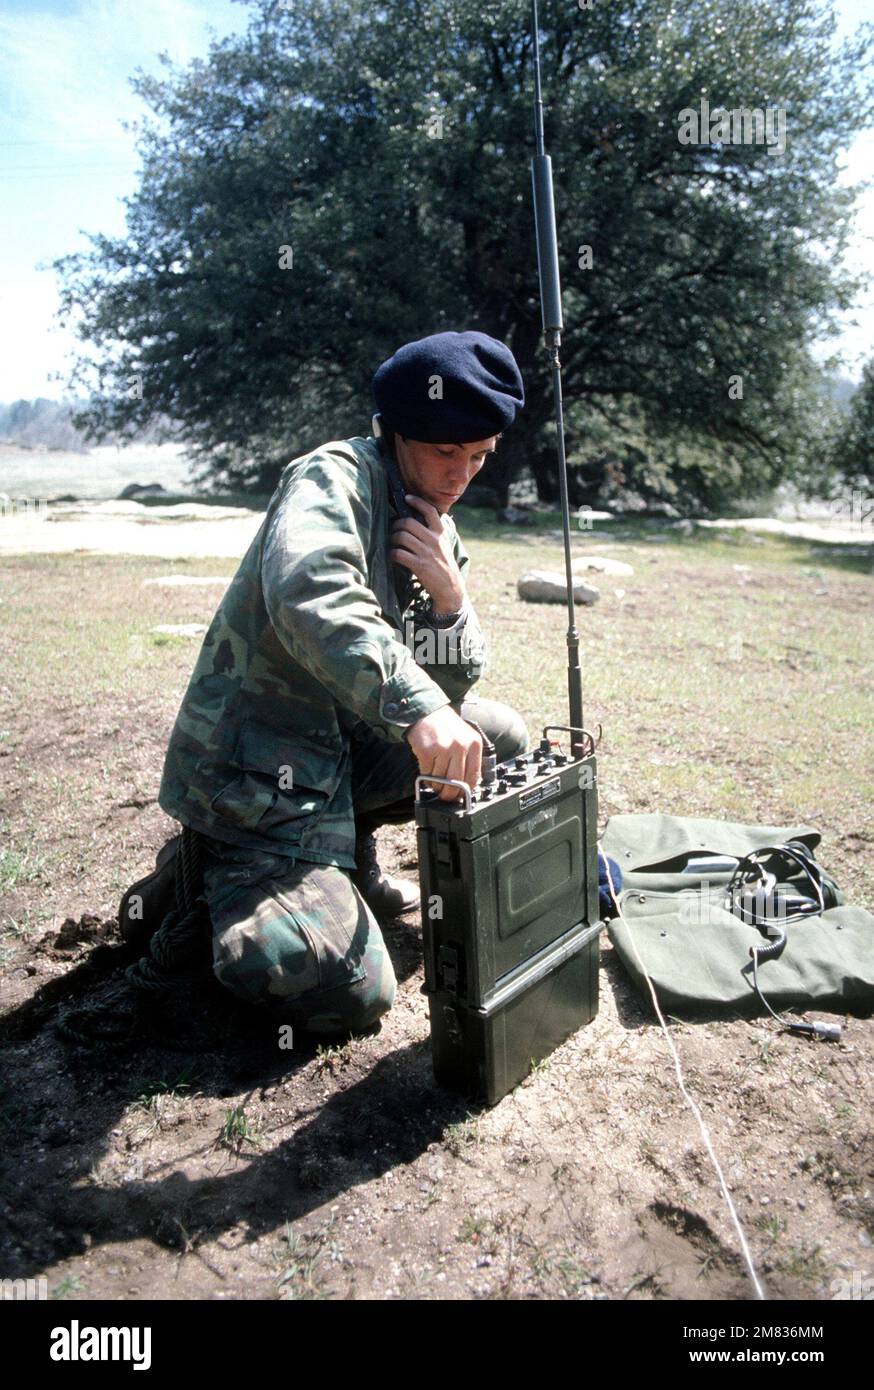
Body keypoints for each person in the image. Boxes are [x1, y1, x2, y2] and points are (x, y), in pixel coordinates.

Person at [125, 331, 530, 1037]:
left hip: (338, 761)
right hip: (257, 773)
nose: (462, 473)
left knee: (496, 737)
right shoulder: (332, 478)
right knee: (346, 989)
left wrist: (450, 602)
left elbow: (445, 686)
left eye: (480, 456)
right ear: (396, 430)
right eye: (445, 451)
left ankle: (343, 855)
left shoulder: (433, 519)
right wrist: (418, 709)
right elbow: (309, 591)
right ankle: (207, 882)